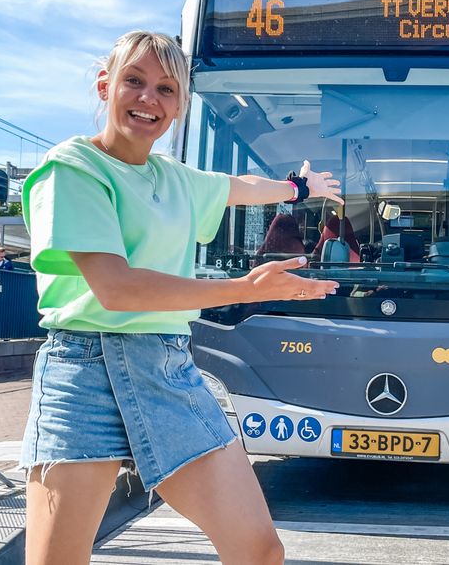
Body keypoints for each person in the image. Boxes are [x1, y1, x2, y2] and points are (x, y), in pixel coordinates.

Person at [19, 31, 342, 565]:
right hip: (83, 371)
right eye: (134, 81)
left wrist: (297, 189)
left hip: (166, 367)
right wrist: (244, 289)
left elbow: (238, 186)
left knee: (259, 551)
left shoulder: (175, 178)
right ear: (106, 86)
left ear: (179, 108)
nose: (149, 99)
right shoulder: (73, 168)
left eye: (167, 89)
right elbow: (117, 288)